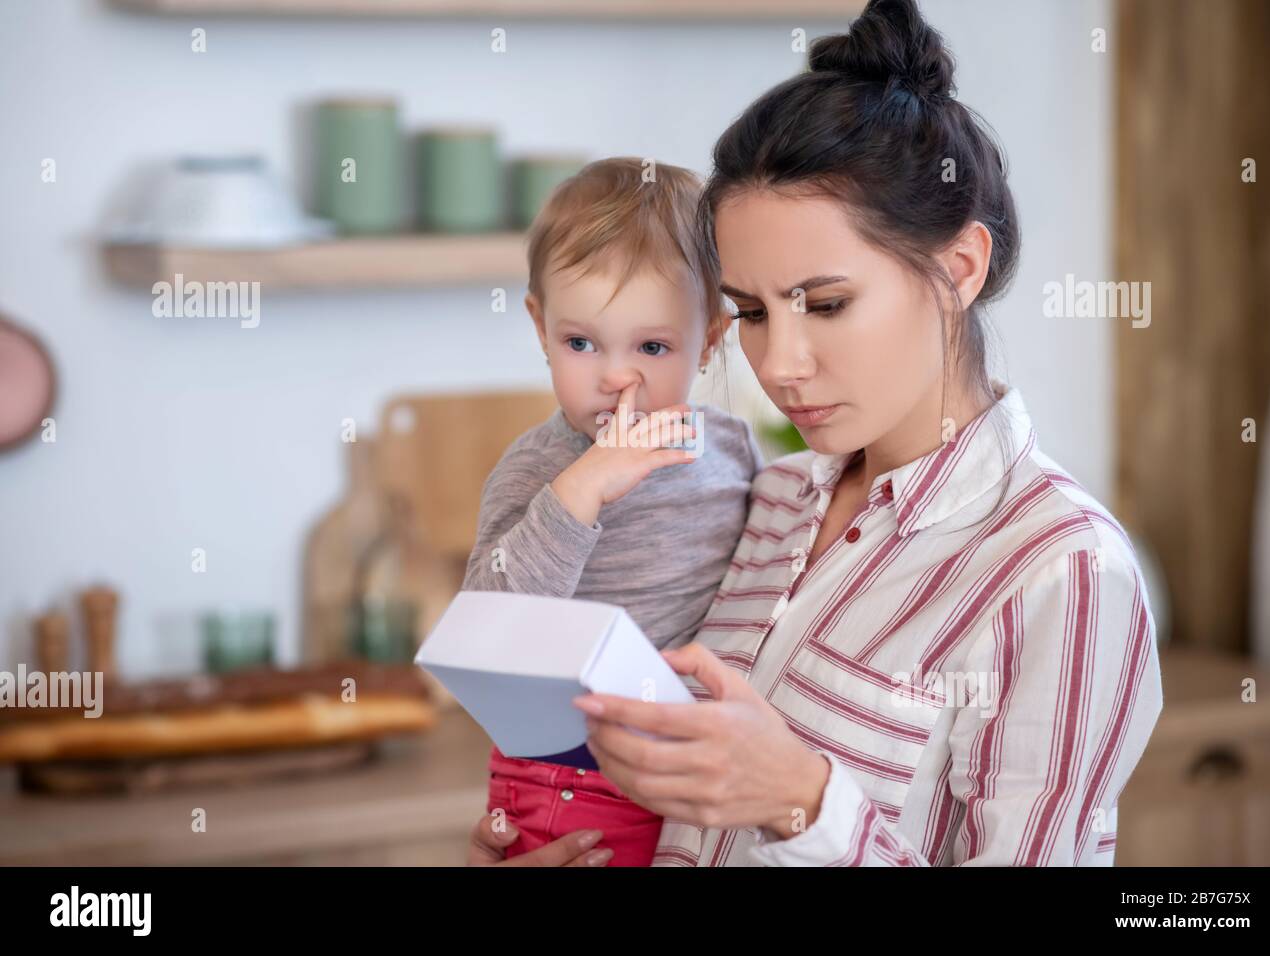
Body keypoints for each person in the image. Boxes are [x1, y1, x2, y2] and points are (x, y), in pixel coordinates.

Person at [471, 0, 1163, 867]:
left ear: (958, 269)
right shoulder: (766, 498)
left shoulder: (1062, 571)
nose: (781, 363)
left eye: (826, 304)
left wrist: (803, 800)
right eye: (752, 313)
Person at [461, 157, 763, 866]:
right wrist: (581, 490)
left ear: (711, 339)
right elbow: (485, 631)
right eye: (581, 342)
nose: (615, 376)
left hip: (689, 774)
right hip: (564, 773)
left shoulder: (732, 449)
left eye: (653, 346)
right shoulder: (537, 469)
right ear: (540, 330)